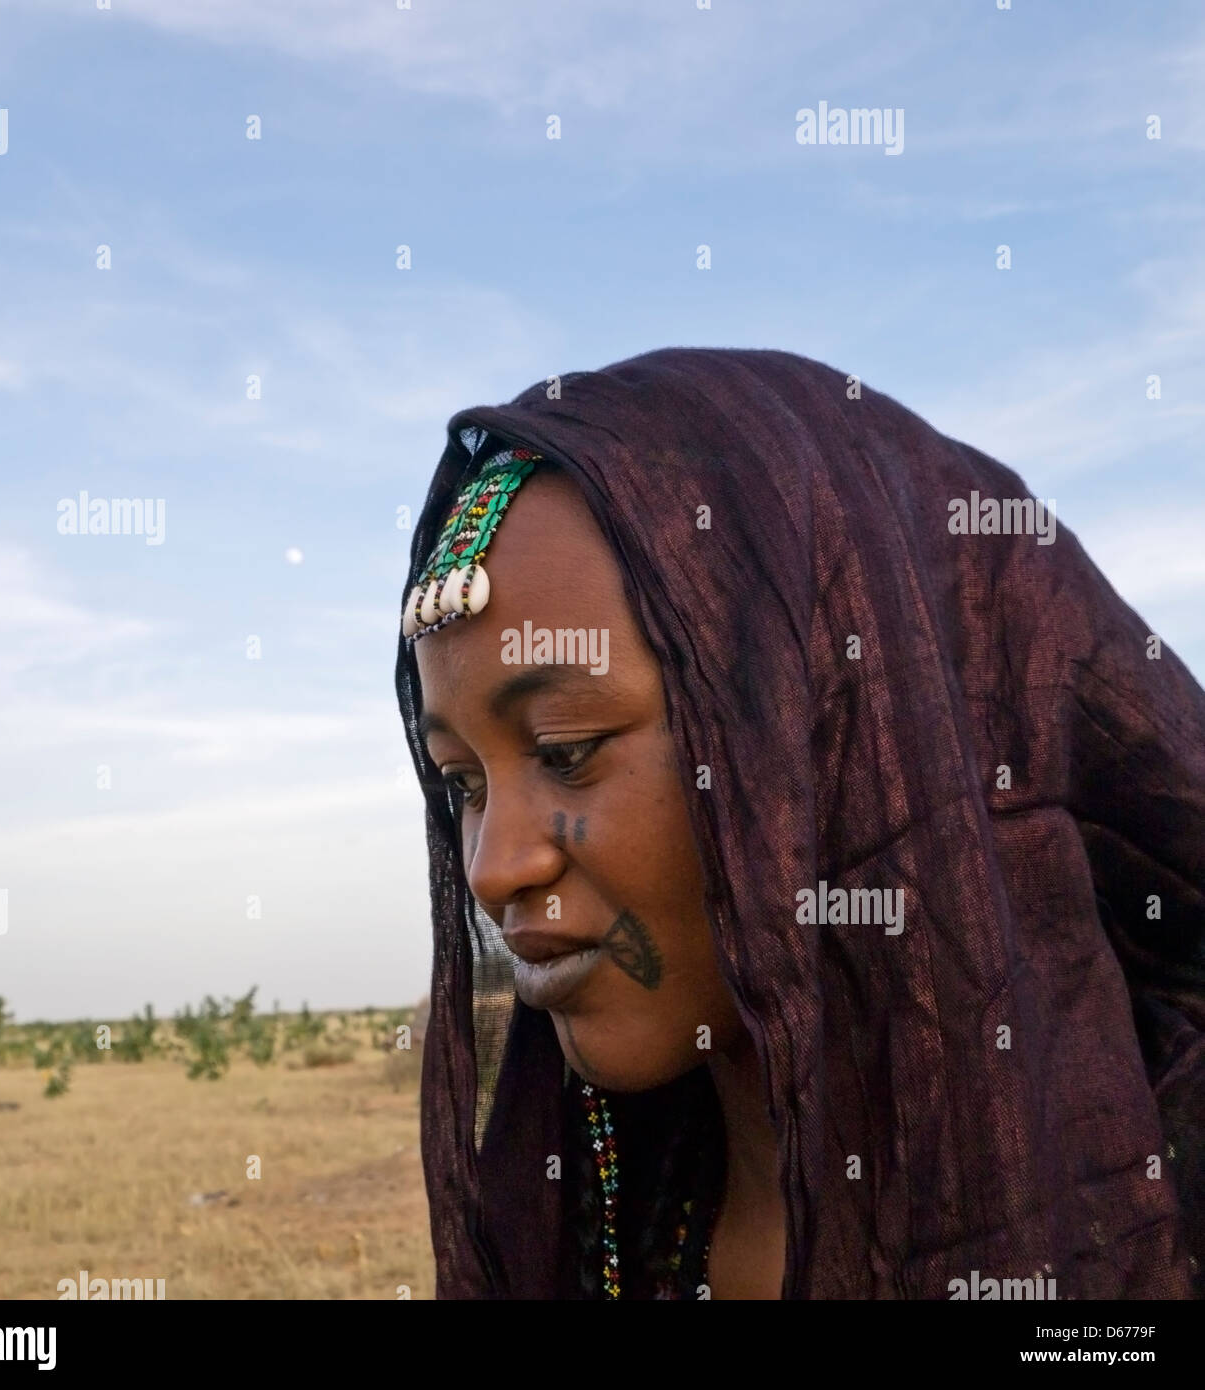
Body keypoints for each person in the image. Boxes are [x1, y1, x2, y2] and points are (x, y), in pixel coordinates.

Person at [394, 347, 1205, 1300]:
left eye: (568, 749)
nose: (491, 872)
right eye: (461, 783)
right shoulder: (598, 1217)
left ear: (832, 736)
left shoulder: (1149, 1206)